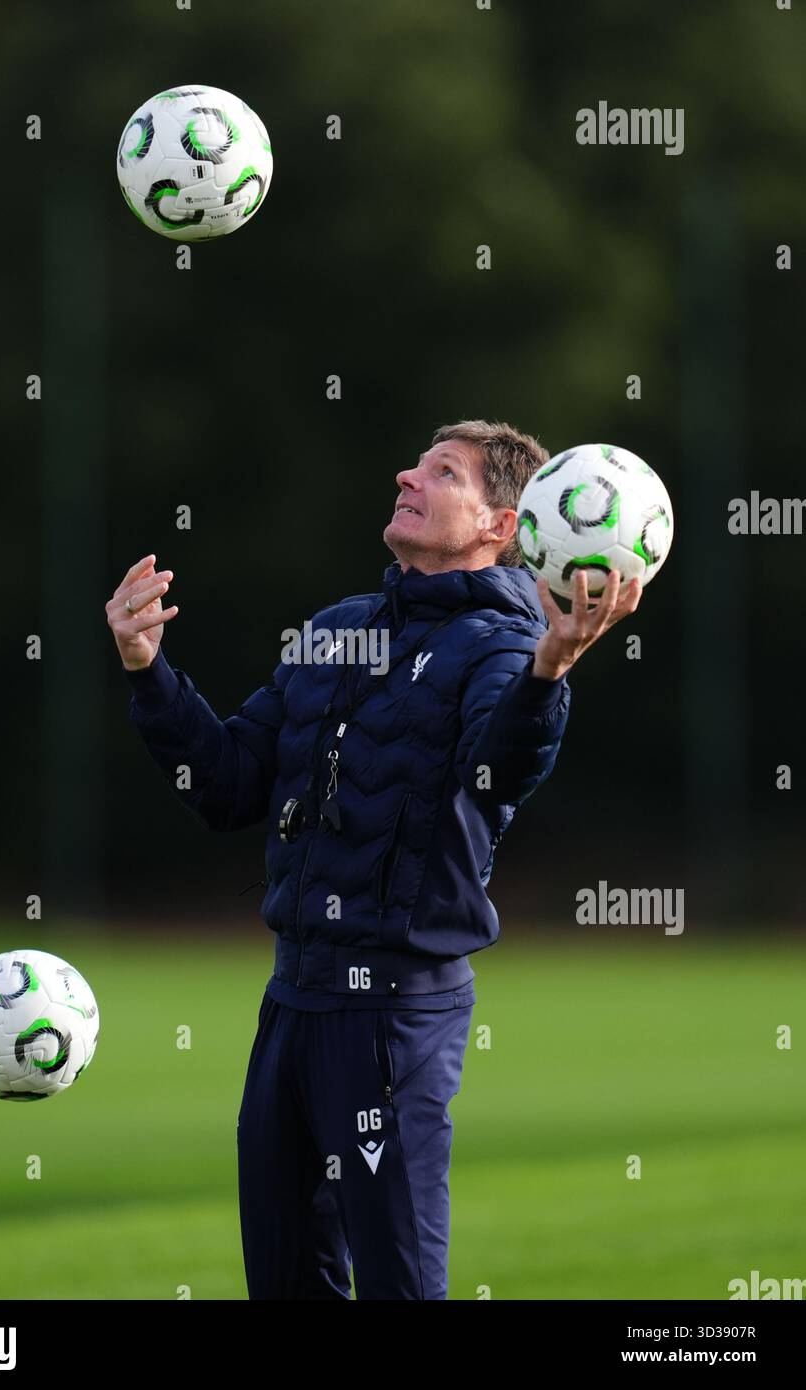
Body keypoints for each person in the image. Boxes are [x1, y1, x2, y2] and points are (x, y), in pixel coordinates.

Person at [105, 419, 641, 1300]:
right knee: (283, 1282)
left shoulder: (508, 645)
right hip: (291, 1003)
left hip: (394, 1019)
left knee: (399, 1283)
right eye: (416, 462)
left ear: (499, 526)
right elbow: (229, 786)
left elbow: (498, 767)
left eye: (441, 472)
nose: (407, 474)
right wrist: (148, 669)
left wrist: (551, 669)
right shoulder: (335, 629)